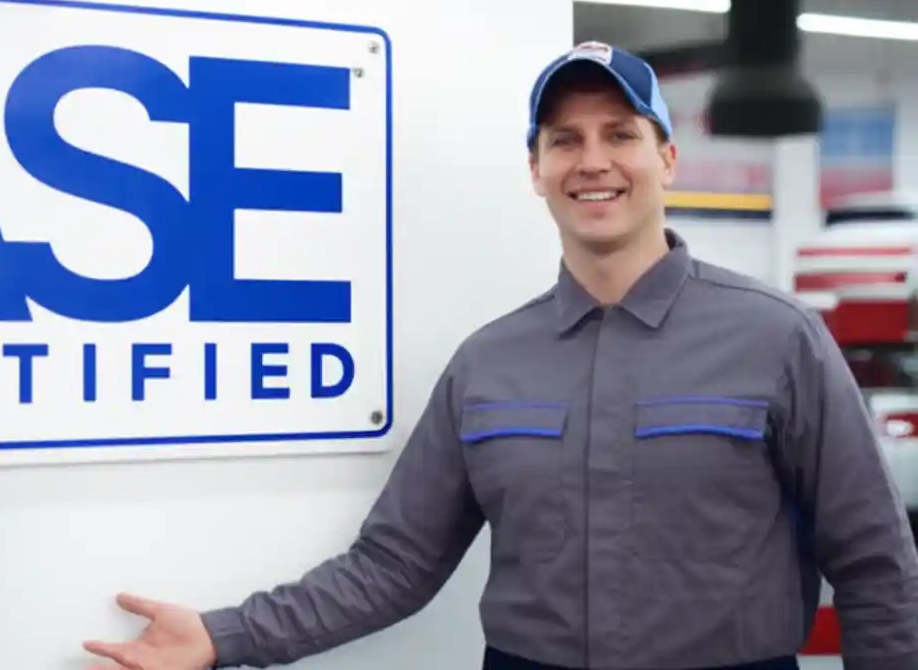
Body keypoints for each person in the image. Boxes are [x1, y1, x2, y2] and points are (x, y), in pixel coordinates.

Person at [82, 41, 918, 670]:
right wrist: (224, 636)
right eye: (564, 140)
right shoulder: (489, 363)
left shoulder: (776, 338)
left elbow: (878, 565)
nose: (593, 161)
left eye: (620, 134)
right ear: (536, 168)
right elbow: (394, 565)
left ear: (666, 157)